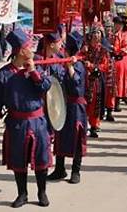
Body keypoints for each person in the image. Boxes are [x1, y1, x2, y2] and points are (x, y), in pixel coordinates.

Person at [0, 29, 52, 208]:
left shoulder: (37, 65)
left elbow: (46, 86)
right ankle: (22, 194)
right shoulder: (4, 74)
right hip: (16, 122)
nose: (31, 50)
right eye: (27, 47)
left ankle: (42, 192)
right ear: (19, 51)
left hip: (38, 121)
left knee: (41, 159)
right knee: (18, 160)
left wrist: (33, 72)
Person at [48, 31, 87, 184]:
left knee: (76, 138)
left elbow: (77, 85)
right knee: (60, 136)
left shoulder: (79, 65)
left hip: (76, 106)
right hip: (63, 103)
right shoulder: (61, 63)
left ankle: (76, 171)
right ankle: (59, 168)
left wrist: (70, 68)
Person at [83, 24, 109, 137]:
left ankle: (94, 125)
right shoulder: (85, 48)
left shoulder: (103, 50)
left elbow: (105, 65)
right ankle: (84, 124)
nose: (96, 35)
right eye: (94, 32)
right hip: (84, 79)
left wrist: (93, 66)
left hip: (96, 79)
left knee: (95, 104)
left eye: (99, 33)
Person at [112, 16, 127, 112]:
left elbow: (126, 49)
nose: (116, 26)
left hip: (121, 60)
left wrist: (115, 50)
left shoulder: (125, 35)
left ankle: (117, 102)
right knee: (113, 82)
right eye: (115, 24)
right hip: (113, 60)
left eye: (118, 24)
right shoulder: (112, 34)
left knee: (120, 82)